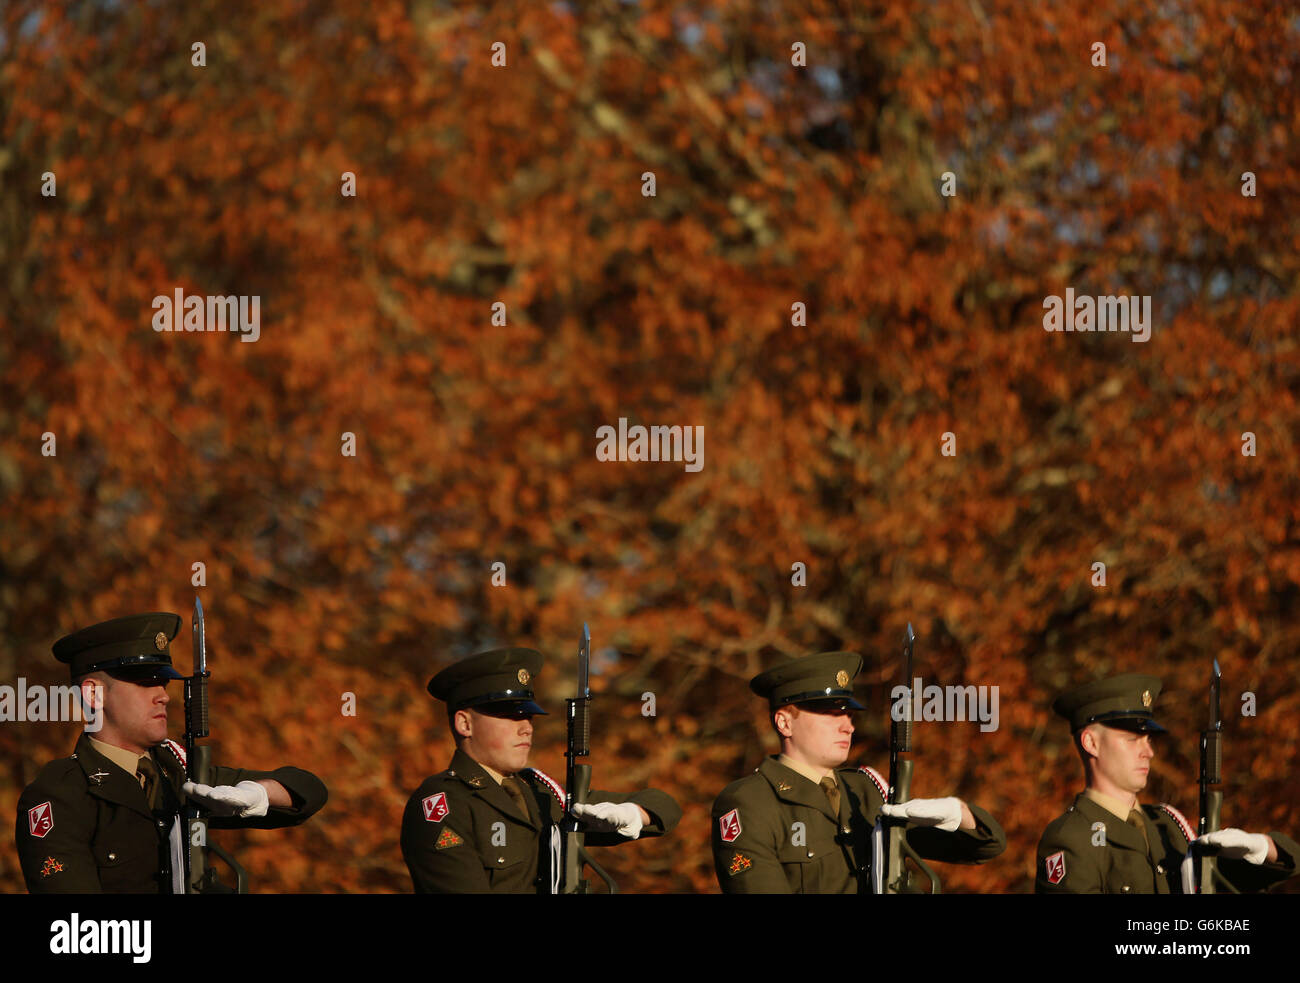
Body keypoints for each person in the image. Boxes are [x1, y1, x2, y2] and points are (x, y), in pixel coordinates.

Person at [14, 612, 328, 893]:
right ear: (94, 694)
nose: (164, 696)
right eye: (146, 683)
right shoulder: (59, 795)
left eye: (163, 683)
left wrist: (259, 794)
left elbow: (308, 791)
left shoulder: (178, 772)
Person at [711, 651, 1005, 893]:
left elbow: (983, 847)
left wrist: (960, 814)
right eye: (831, 714)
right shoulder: (750, 803)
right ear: (784, 723)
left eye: (849, 714)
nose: (847, 726)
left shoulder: (864, 791)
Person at [401, 647, 681, 893]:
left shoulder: (543, 794)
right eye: (510, 716)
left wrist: (634, 814)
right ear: (465, 724)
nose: (526, 728)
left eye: (528, 717)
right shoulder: (444, 805)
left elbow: (665, 806)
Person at [1035, 673, 1298, 893]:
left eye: (1148, 739)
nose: (1148, 752)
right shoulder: (1070, 839)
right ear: (1091, 743)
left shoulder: (1168, 826)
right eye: (1131, 739)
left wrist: (1263, 848)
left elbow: (1283, 865)